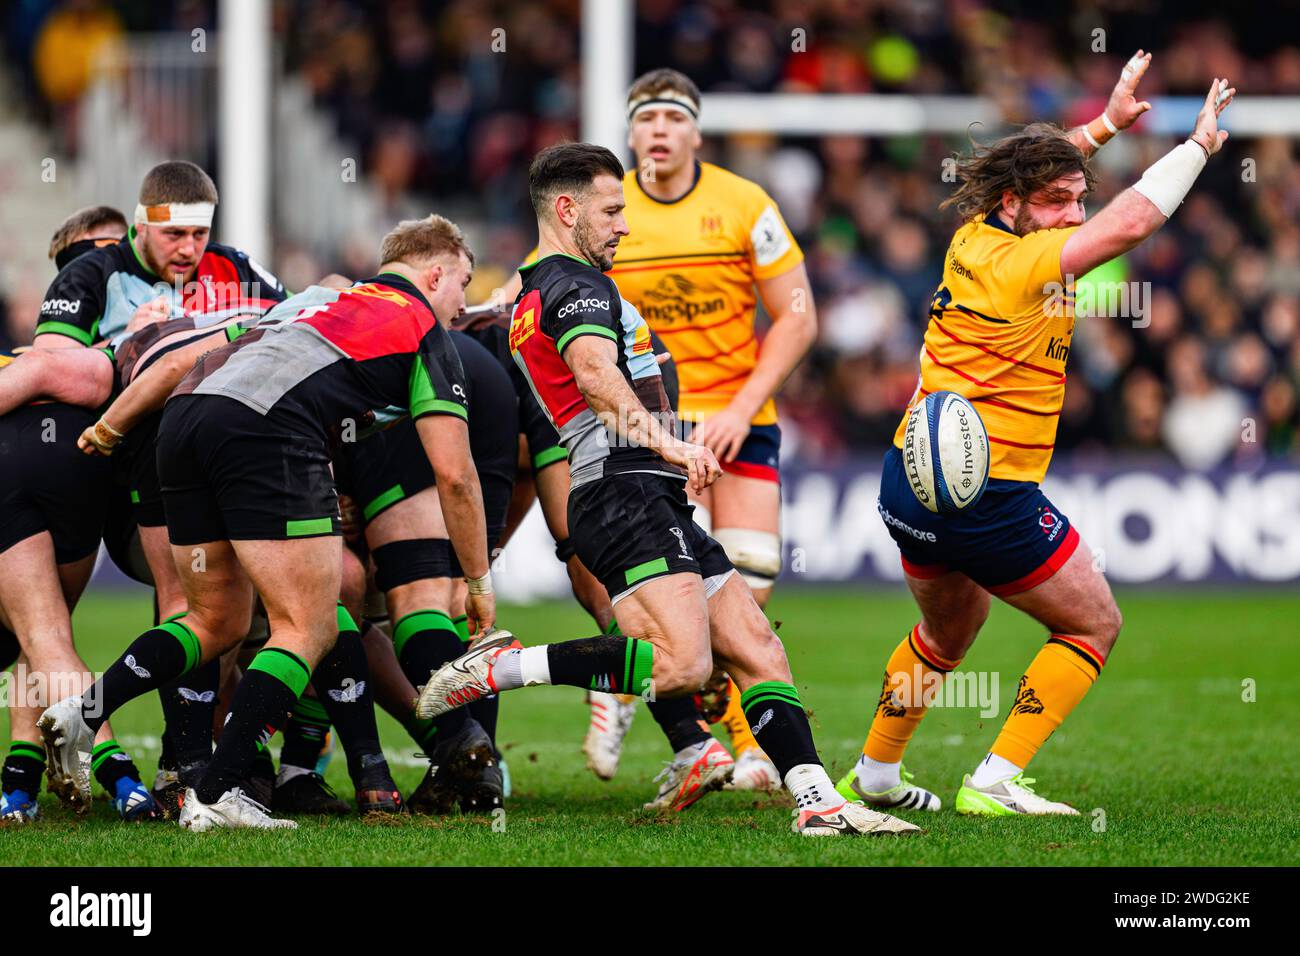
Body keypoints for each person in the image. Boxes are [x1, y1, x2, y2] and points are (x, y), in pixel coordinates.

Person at [418, 143, 917, 837]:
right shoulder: (575, 286)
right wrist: (671, 442)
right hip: (623, 494)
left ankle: (817, 801)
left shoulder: (539, 287)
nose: (626, 224)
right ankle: (504, 666)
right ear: (567, 210)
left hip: (648, 494)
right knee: (683, 666)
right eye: (613, 210)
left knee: (758, 649)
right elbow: (594, 376)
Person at [836, 57, 1235, 816]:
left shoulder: (974, 237)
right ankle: (994, 780)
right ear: (1016, 205)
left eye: (1078, 200)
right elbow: (1136, 220)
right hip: (987, 492)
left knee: (947, 634)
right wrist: (1198, 149)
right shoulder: (1028, 263)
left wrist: (1108, 126)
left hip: (908, 478)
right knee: (1093, 625)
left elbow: (1052, 186)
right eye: (1058, 204)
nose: (1073, 216)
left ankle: (876, 775)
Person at [41, 214, 494, 831]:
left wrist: (114, 425)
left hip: (184, 422)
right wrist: (477, 584)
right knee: (307, 626)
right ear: (435, 273)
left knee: (213, 619)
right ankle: (220, 794)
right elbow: (456, 476)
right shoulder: (422, 330)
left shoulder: (316, 300)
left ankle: (83, 713)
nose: (462, 304)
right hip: (266, 432)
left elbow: (183, 362)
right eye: (463, 284)